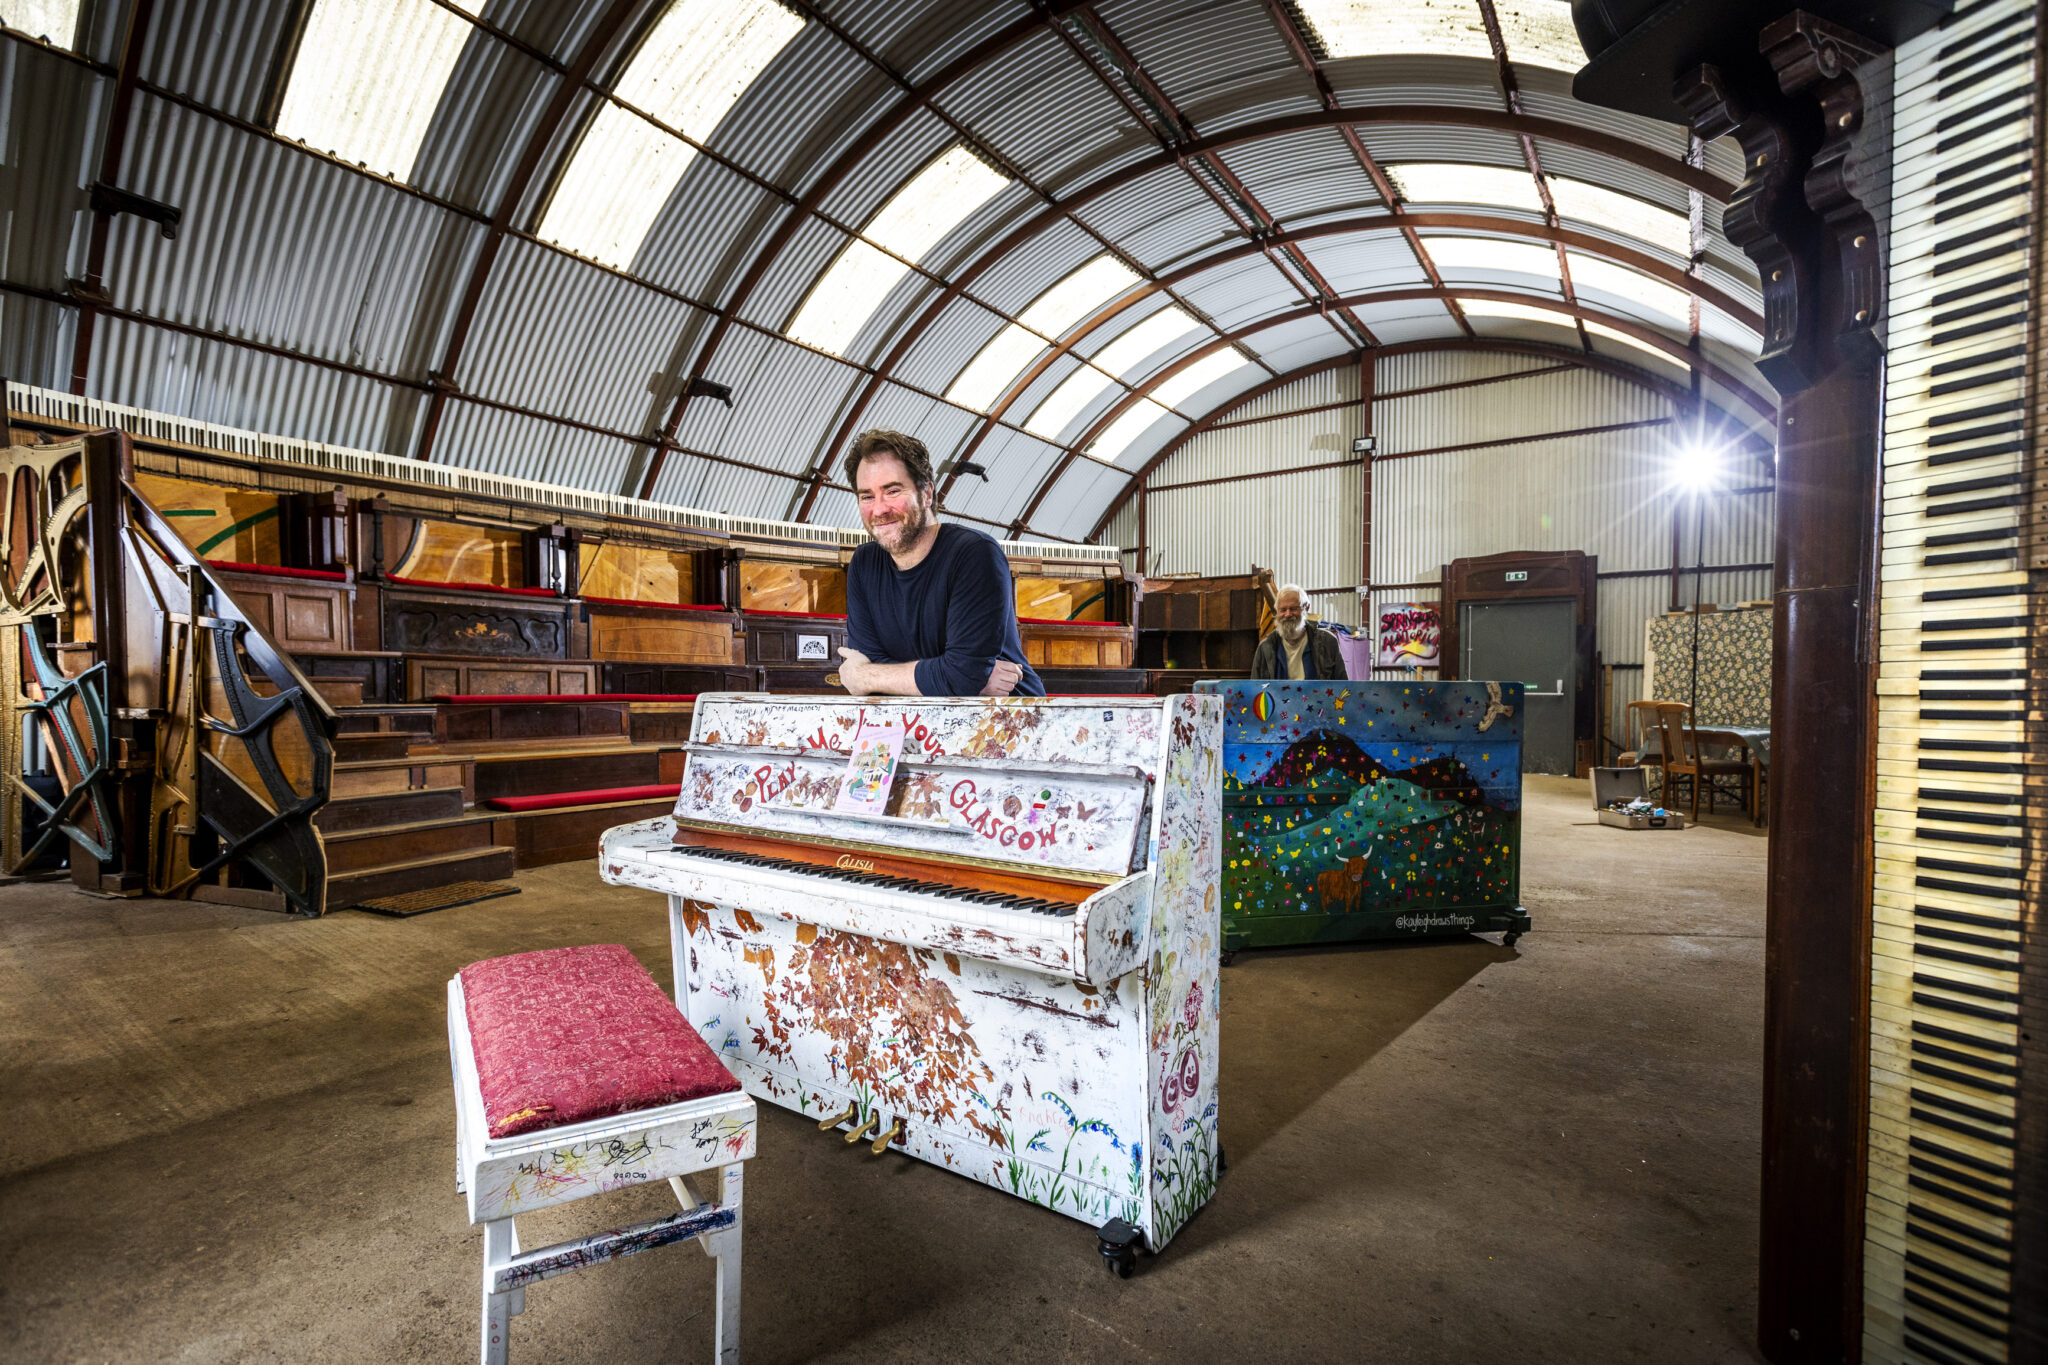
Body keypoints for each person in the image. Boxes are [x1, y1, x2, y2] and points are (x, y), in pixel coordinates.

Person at [835, 429, 1044, 698]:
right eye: (867, 496)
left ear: (926, 494)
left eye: (893, 491)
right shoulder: (864, 564)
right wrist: (956, 678)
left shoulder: (975, 554)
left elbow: (961, 676)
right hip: (921, 724)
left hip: (1005, 722)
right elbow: (959, 678)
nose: (879, 509)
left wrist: (866, 675)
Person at [1251, 583, 1346, 680]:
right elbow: (1254, 689)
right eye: (1283, 610)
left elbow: (1343, 686)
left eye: (1293, 609)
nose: (1287, 614)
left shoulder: (1328, 642)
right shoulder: (1265, 648)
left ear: (1306, 608)